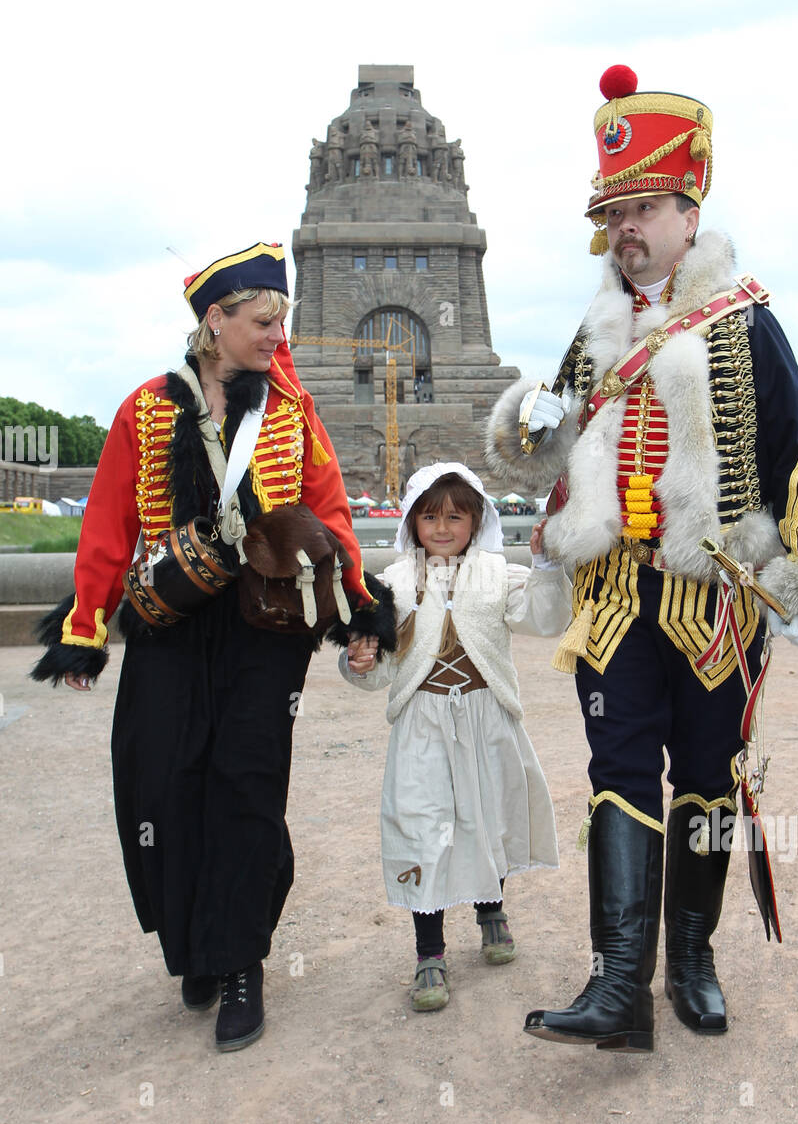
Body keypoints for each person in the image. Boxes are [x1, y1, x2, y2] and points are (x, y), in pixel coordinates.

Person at [485, 67, 798, 1053]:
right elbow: (554, 451)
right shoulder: (590, 335)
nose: (625, 224)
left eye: (643, 205)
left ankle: (690, 959)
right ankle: (618, 985)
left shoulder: (747, 322)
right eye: (613, 209)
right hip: (613, 594)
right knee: (617, 768)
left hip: (713, 603)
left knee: (704, 776)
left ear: (687, 213)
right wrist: (535, 446)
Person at [32, 241, 393, 1052]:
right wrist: (85, 628)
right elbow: (107, 526)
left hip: (266, 630)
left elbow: (330, 517)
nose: (275, 334)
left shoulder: (293, 415)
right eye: (261, 321)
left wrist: (360, 609)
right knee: (163, 782)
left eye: (280, 320)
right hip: (171, 624)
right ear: (214, 321)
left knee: (246, 782)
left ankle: (237, 964)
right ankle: (195, 938)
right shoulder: (144, 410)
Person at [339, 463, 571, 1012]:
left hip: (487, 717)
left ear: (477, 519)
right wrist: (361, 658)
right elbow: (374, 673)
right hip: (421, 723)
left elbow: (545, 617)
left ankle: (491, 911)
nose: (442, 527)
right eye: (430, 516)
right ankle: (429, 954)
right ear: (413, 521)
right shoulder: (390, 585)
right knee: (423, 828)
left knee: (487, 816)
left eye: (455, 515)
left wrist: (544, 566)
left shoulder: (496, 572)